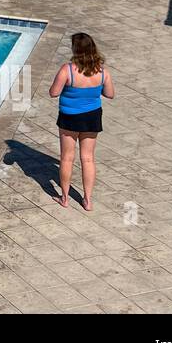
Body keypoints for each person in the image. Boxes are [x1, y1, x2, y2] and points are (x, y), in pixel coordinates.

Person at [49, 32, 115, 211]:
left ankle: (64, 198)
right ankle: (87, 200)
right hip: (92, 116)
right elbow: (110, 94)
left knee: (67, 158)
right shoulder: (102, 72)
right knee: (88, 159)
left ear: (75, 50)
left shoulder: (67, 69)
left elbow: (53, 92)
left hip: (69, 117)